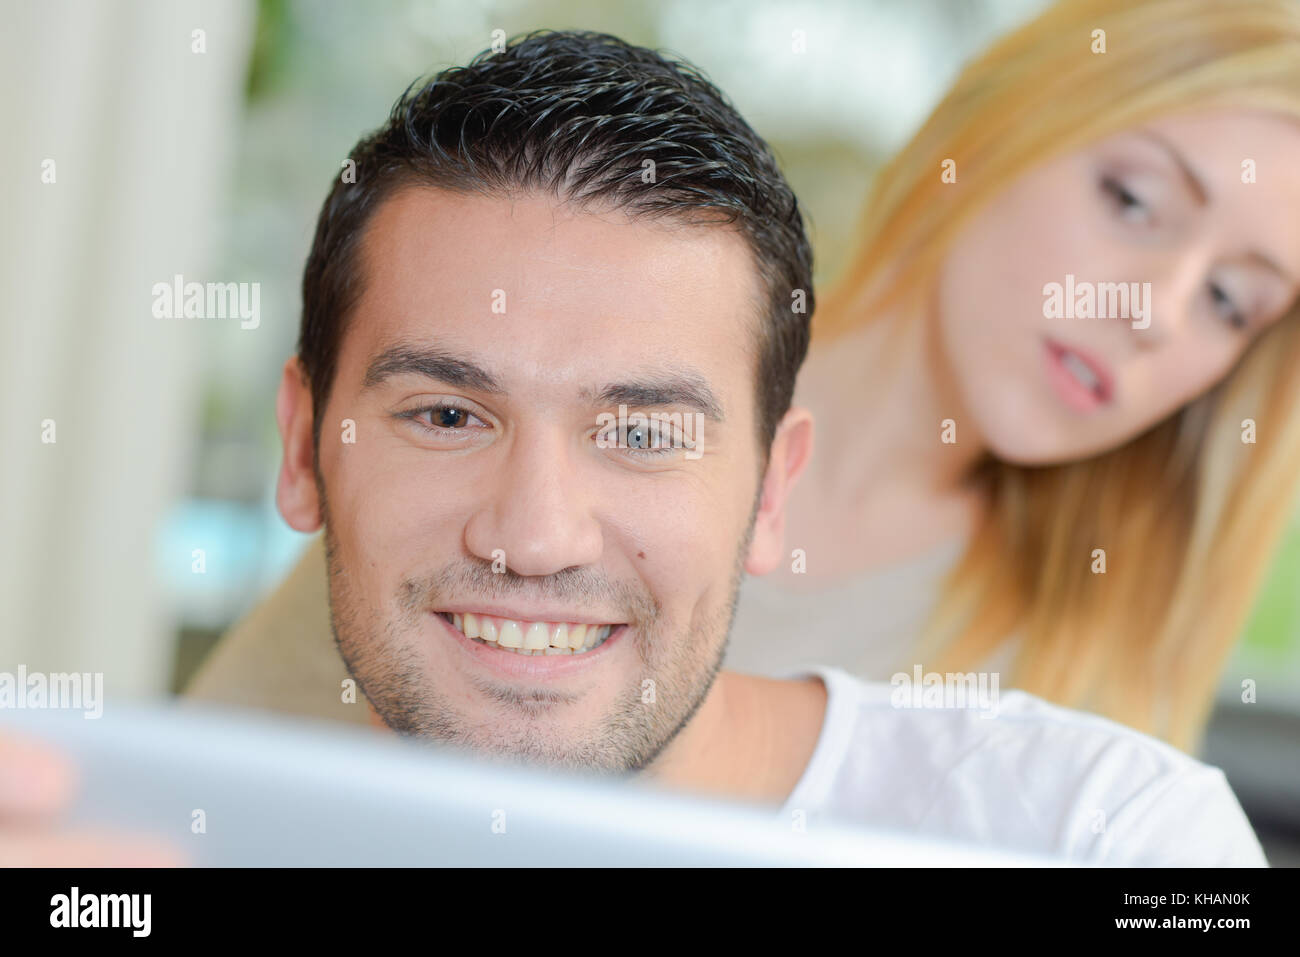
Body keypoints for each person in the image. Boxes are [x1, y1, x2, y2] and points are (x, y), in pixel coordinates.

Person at [184, 31, 1264, 865]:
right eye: (1131, 199)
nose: (535, 535)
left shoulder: (1095, 798)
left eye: (1230, 298)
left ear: (769, 485)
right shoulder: (469, 395)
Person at [722, 0, 1300, 753]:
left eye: (1228, 300)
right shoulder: (612, 355)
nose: (1157, 312)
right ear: (997, 127)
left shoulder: (1074, 703)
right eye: (1132, 200)